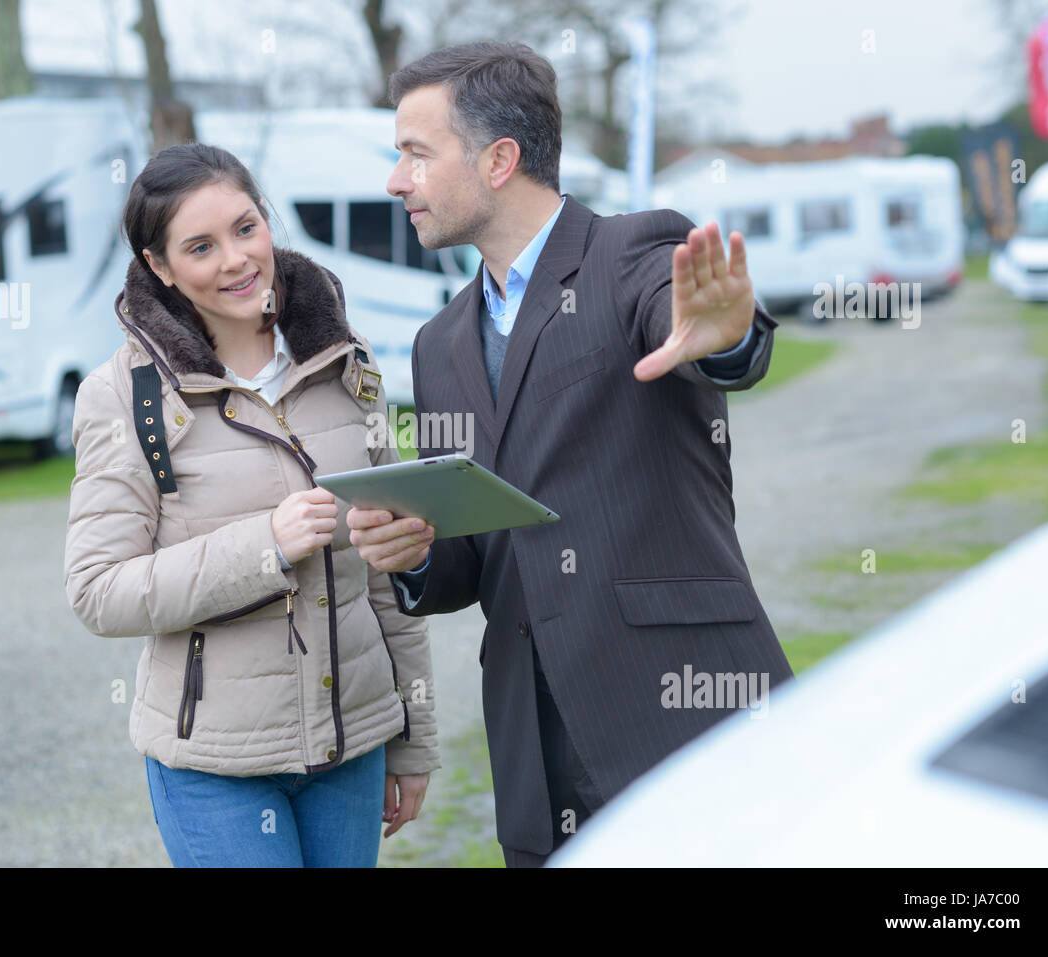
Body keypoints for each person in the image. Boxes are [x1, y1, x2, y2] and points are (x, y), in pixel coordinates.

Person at [346, 41, 795, 867]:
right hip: (538, 753)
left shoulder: (632, 253)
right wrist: (410, 553)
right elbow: (469, 558)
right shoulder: (436, 345)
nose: (395, 181)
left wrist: (722, 341)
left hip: (684, 712)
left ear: (498, 160)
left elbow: (692, 328)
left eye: (414, 153)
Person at [63, 143, 438, 867]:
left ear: (267, 220)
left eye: (245, 228)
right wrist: (261, 546)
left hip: (350, 749)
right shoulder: (124, 396)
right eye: (200, 246)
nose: (236, 260)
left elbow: (385, 570)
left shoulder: (346, 362)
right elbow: (97, 590)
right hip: (214, 767)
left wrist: (413, 734)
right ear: (160, 267)